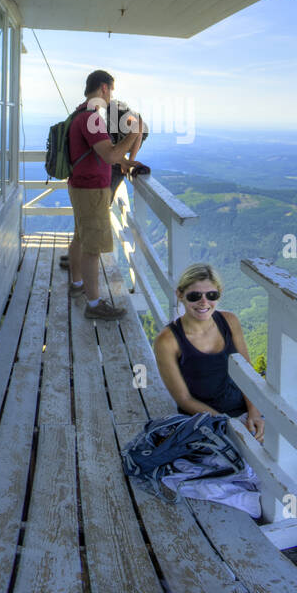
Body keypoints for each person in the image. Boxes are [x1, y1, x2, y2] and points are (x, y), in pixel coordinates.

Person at [65, 69, 147, 320]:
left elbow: (102, 153)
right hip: (90, 190)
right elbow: (109, 155)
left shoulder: (80, 114)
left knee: (80, 236)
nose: (112, 95)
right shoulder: (92, 119)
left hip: (80, 186)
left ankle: (77, 285)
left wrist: (125, 162)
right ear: (103, 88)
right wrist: (134, 132)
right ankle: (94, 304)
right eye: (111, 89)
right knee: (92, 249)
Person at [153, 263, 262, 443]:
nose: (204, 302)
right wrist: (226, 424)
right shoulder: (167, 340)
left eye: (211, 295)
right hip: (204, 418)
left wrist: (254, 412)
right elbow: (184, 399)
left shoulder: (230, 321)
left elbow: (246, 371)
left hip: (246, 409)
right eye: (195, 296)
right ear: (180, 295)